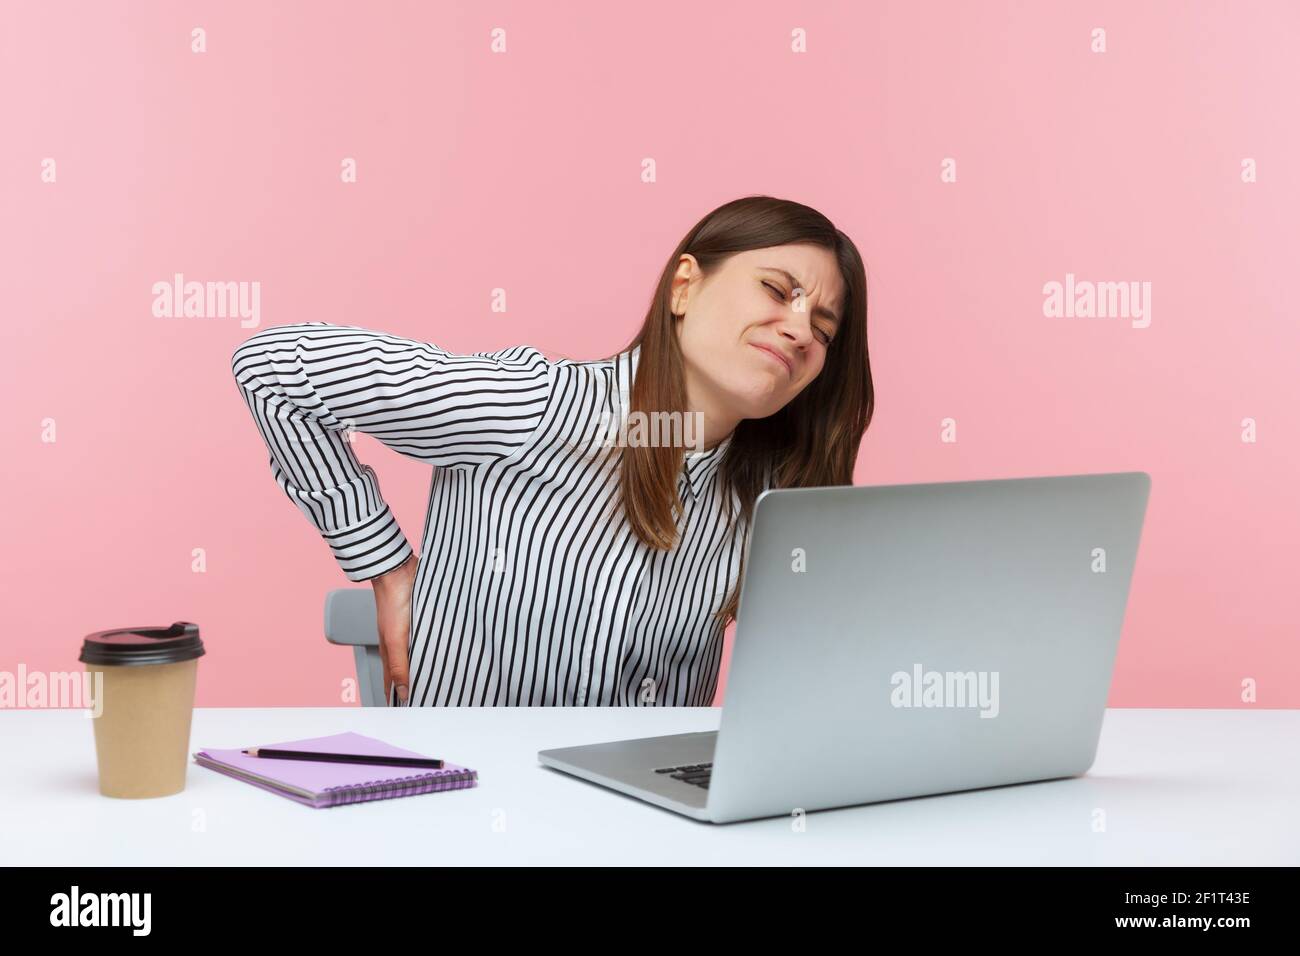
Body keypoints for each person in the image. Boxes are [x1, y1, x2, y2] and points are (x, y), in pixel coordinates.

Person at [230, 195, 874, 706]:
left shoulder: (764, 500)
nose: (798, 330)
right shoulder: (537, 403)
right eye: (775, 289)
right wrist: (385, 565)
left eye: (822, 329)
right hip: (475, 810)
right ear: (684, 287)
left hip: (649, 826)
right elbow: (271, 365)